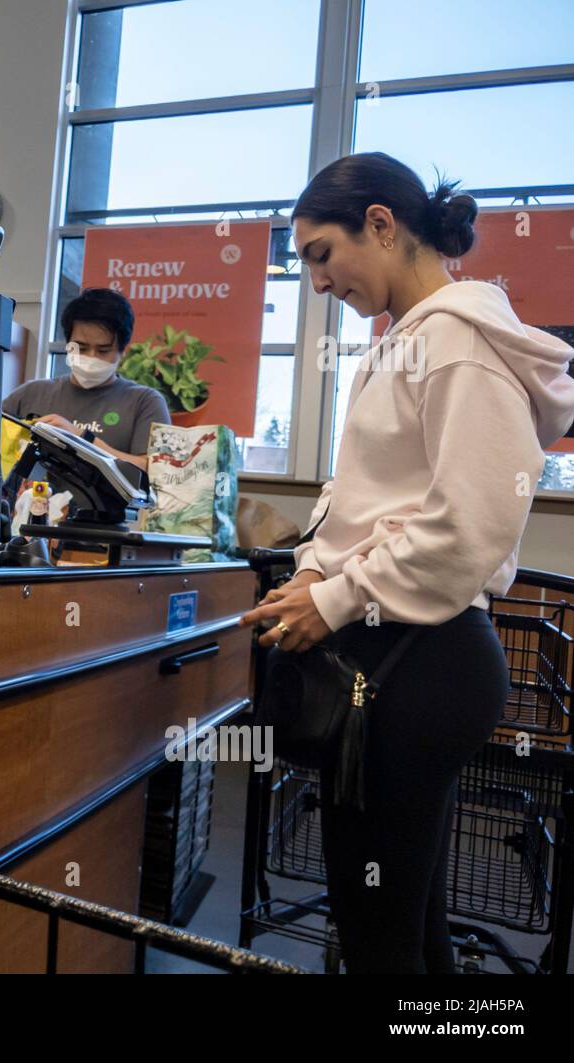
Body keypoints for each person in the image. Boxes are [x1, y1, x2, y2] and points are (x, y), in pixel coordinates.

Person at [239, 152, 574, 973]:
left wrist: (340, 594)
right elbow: (366, 498)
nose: (316, 283)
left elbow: (469, 526)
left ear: (381, 224)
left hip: (422, 663)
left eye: (322, 254)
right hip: (402, 653)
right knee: (407, 924)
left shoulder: (458, 344)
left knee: (377, 931)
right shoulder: (408, 342)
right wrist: (316, 571)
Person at [2, 288, 169, 498]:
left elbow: (152, 473)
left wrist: (81, 438)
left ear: (122, 350)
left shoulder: (145, 402)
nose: (91, 357)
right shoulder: (30, 394)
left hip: (107, 529)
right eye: (81, 347)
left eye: (103, 350)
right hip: (28, 522)